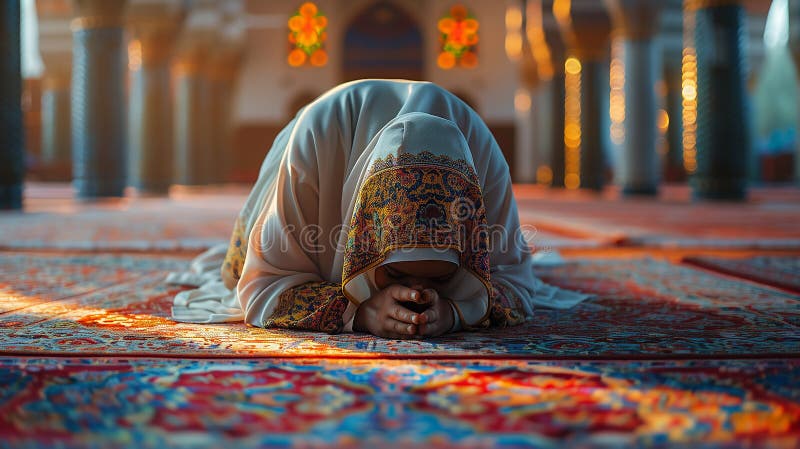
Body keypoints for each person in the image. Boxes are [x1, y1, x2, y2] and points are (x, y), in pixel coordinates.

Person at [168, 79, 589, 339]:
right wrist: (360, 310)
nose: (419, 297)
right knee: (233, 269)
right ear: (362, 233)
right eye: (396, 272)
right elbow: (261, 286)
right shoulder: (314, 144)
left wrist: (456, 310)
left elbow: (516, 279)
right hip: (306, 142)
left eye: (441, 276)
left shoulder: (482, 160)